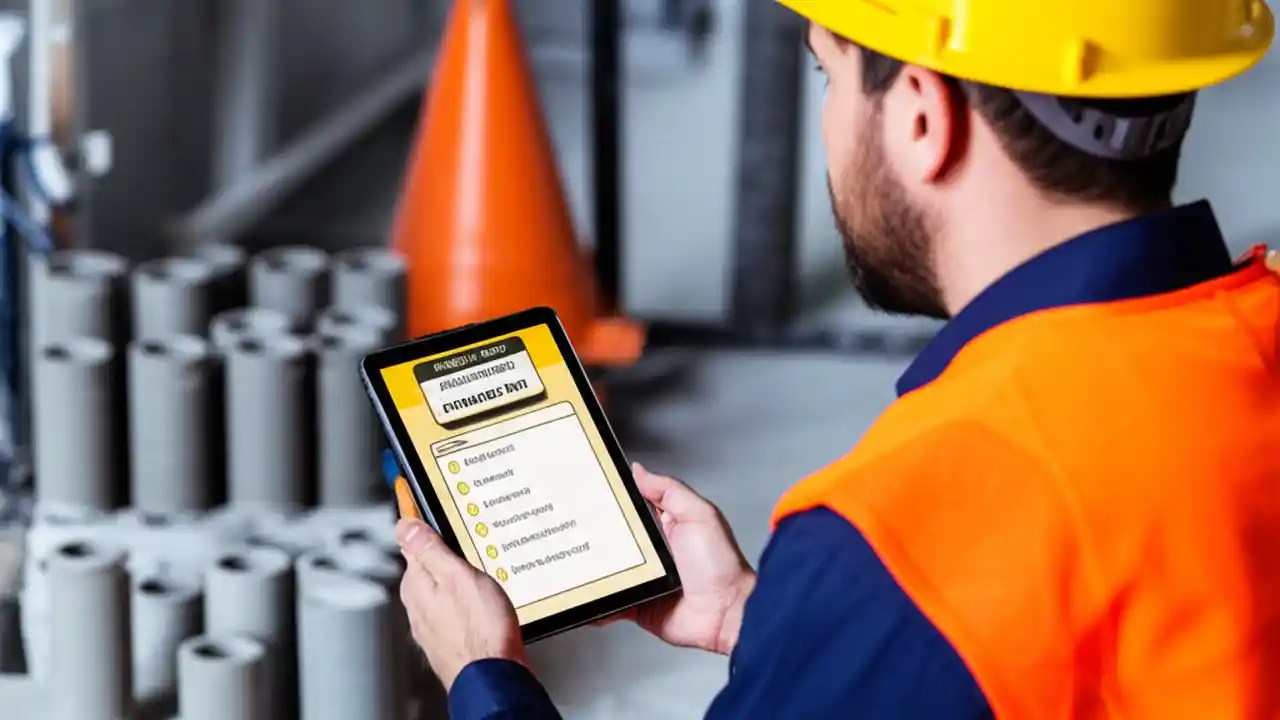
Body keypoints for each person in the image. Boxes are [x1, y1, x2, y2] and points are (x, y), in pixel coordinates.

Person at [394, 0, 1280, 717]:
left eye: (830, 72)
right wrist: (773, 627)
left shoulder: (909, 534)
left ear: (924, 116)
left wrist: (486, 678)